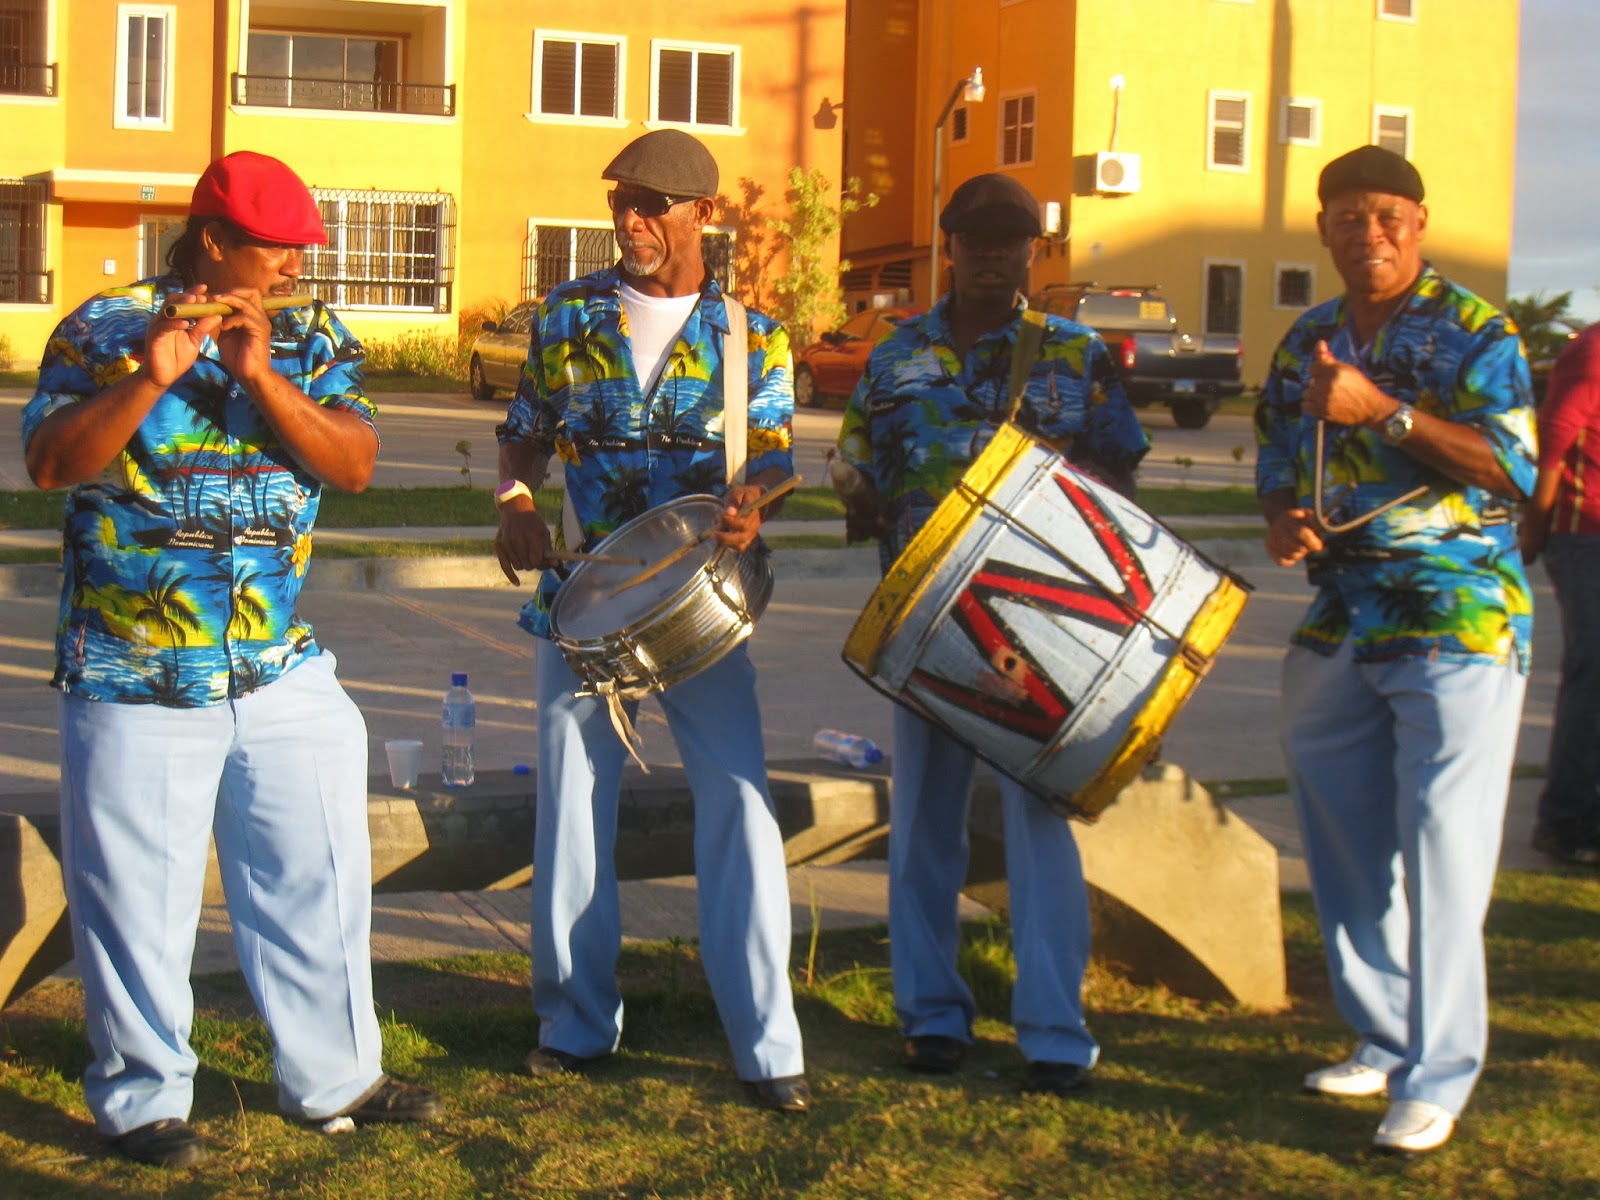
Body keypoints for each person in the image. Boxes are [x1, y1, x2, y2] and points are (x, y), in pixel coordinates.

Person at [21, 151, 442, 1168]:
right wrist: (151, 378)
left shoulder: (313, 336)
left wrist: (259, 373)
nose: (298, 260)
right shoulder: (102, 327)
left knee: (316, 879)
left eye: (304, 242)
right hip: (135, 667)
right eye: (277, 243)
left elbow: (354, 464)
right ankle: (144, 1103)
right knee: (138, 901)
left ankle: (334, 1078)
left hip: (276, 666)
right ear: (213, 240)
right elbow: (49, 463)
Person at [493, 129, 808, 1113]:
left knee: (741, 810)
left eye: (652, 205)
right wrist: (512, 501)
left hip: (702, 605)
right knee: (572, 814)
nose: (630, 220)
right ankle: (575, 1025)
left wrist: (757, 499)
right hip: (585, 602)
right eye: (620, 203)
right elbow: (522, 436)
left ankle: (766, 1044)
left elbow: (779, 453)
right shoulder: (564, 319)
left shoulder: (751, 335)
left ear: (701, 216)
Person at [832, 173, 1149, 1097]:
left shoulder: (1075, 356)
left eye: (1012, 243)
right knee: (926, 824)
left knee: (1038, 828)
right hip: (926, 626)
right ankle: (931, 1015)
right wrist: (862, 499)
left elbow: (1121, 487)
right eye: (977, 242)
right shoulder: (895, 360)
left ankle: (1053, 1029)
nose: (994, 257)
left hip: (1040, 633)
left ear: (1031, 253)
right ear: (951, 246)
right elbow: (858, 472)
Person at [1255, 145, 1537, 1154]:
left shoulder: (1474, 331)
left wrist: (1387, 412)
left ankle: (1439, 1071)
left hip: (1456, 614)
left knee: (1443, 851)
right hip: (1343, 614)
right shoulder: (1311, 336)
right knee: (1343, 838)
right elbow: (1278, 455)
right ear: (1322, 228)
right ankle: (1381, 1035)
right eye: (1346, 217)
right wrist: (1283, 517)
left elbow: (1511, 468)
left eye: (1385, 216)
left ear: (1417, 222)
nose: (1366, 234)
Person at [1519, 326, 1600, 865]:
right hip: (1584, 537)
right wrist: (1537, 527)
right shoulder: (1594, 348)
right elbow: (1554, 437)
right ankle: (1564, 820)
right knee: (1593, 671)